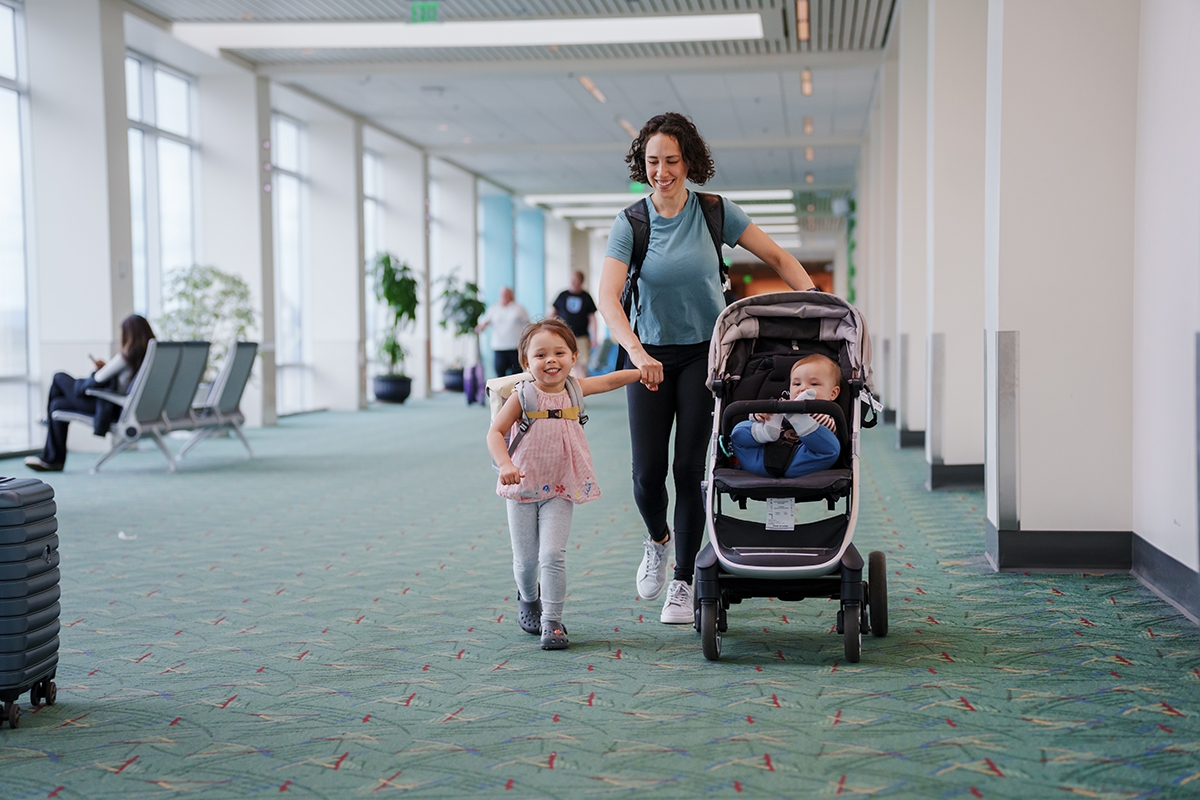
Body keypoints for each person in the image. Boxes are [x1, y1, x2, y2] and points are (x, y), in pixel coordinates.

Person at [597, 112, 816, 624]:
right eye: (653, 162)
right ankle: (658, 540)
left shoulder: (715, 212)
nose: (662, 172)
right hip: (648, 357)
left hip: (705, 354)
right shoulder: (631, 222)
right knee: (647, 475)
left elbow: (778, 257)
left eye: (672, 161)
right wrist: (637, 352)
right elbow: (607, 298)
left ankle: (682, 582)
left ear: (689, 161)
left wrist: (818, 303)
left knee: (689, 468)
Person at [486, 318, 649, 650]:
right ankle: (528, 597)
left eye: (559, 353)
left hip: (560, 487)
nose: (551, 360)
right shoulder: (523, 395)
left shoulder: (574, 389)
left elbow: (609, 380)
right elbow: (495, 433)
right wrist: (505, 464)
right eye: (540, 355)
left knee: (552, 554)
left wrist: (643, 371)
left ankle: (552, 621)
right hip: (522, 489)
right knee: (526, 562)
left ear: (574, 357)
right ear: (526, 362)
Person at [25, 314, 155, 472]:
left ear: (129, 334)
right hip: (125, 407)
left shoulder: (126, 357)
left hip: (110, 408)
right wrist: (107, 368)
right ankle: (52, 459)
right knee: (56, 405)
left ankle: (50, 437)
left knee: (59, 377)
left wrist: (99, 372)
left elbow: (98, 380)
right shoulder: (151, 358)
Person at [730, 355, 841, 479]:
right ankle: (765, 432)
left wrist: (806, 412)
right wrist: (758, 415)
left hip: (800, 461)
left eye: (814, 384)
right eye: (796, 384)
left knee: (831, 448)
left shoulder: (826, 413)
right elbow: (755, 419)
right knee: (739, 431)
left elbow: (833, 430)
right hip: (759, 457)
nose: (803, 388)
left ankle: (800, 420)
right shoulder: (779, 404)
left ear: (833, 393)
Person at [548, 271, 598, 378]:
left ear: (581, 281)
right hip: (564, 336)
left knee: (582, 364)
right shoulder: (563, 295)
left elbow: (592, 318)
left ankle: (581, 385)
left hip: (581, 336)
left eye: (576, 280)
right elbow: (552, 314)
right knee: (566, 363)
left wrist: (594, 337)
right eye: (572, 279)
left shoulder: (586, 297)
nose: (573, 282)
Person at [476, 287, 530, 378]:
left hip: (515, 347)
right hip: (499, 347)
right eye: (502, 294)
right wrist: (480, 327)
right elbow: (485, 322)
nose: (504, 296)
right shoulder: (494, 309)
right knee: (500, 374)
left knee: (516, 374)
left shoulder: (519, 308)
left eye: (506, 294)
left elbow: (527, 324)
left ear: (511, 295)